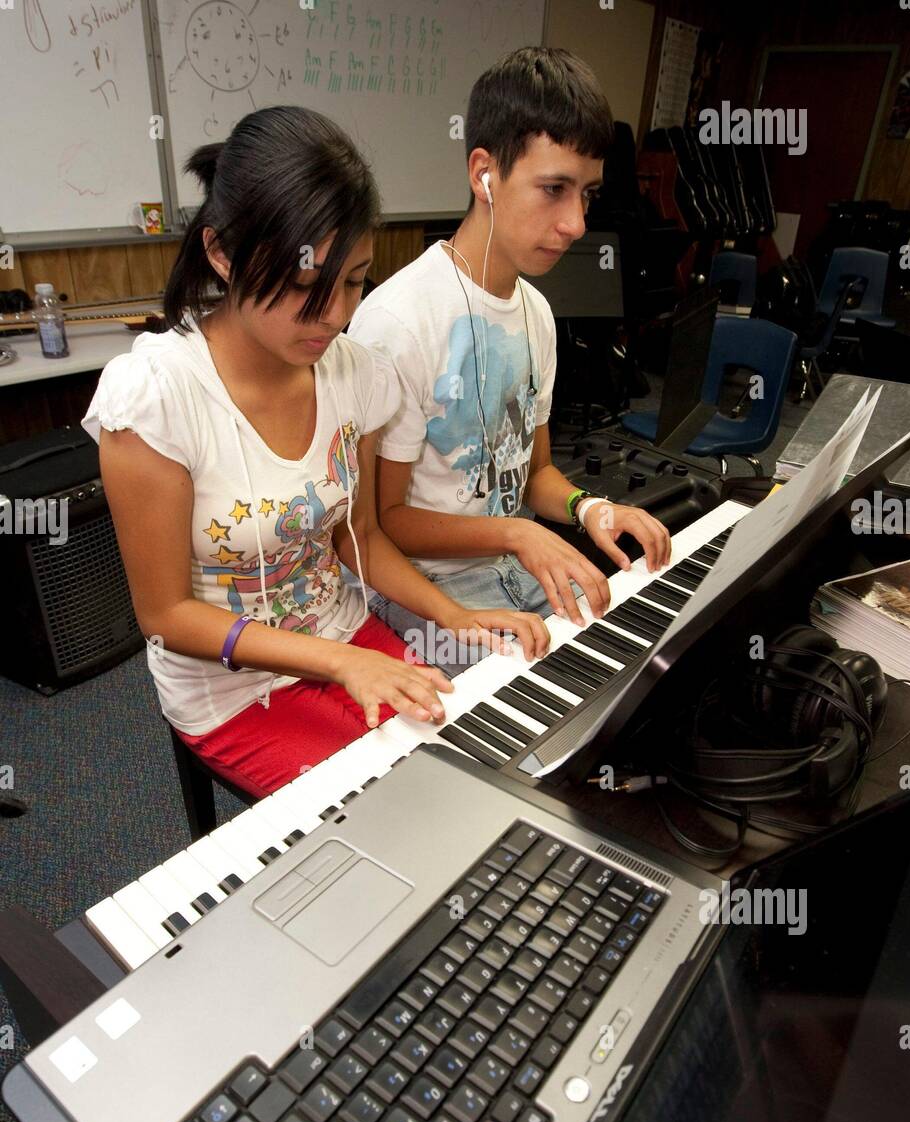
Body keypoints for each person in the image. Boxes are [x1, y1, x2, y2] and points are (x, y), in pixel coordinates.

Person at [82, 107, 548, 798]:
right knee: (382, 808)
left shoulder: (354, 374)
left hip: (342, 632)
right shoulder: (154, 397)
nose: (334, 315)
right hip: (231, 692)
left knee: (464, 777)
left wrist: (453, 617)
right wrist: (335, 663)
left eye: (355, 281)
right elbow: (167, 616)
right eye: (305, 285)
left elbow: (359, 536)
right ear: (220, 253)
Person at [348, 48, 672, 674]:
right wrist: (519, 533)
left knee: (634, 664)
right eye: (554, 189)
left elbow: (535, 475)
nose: (577, 223)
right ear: (484, 174)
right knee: (538, 728)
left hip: (510, 565)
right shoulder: (398, 322)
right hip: (423, 588)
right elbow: (386, 524)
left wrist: (591, 509)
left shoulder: (536, 314)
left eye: (587, 194)